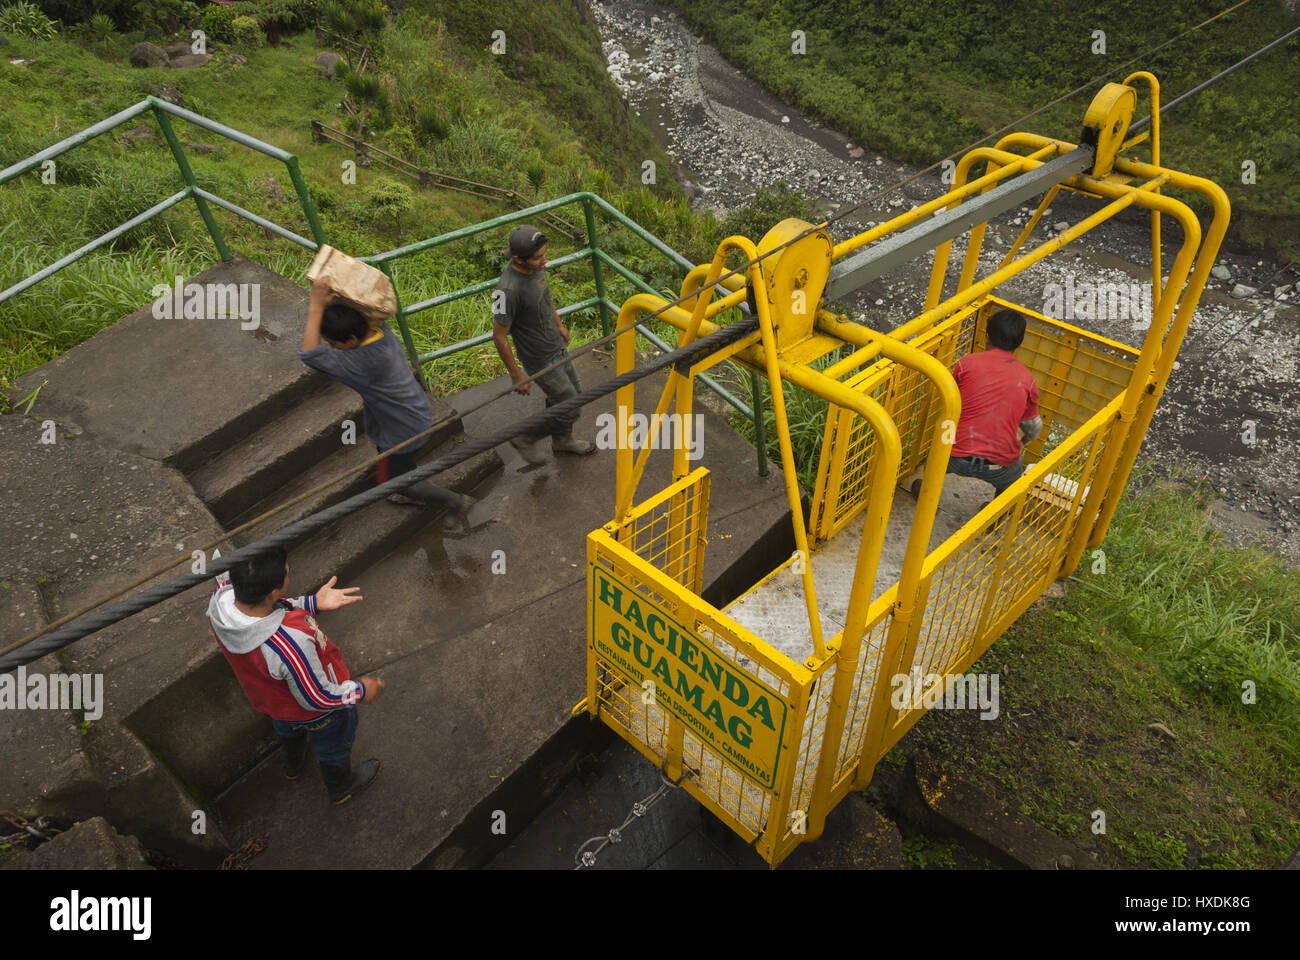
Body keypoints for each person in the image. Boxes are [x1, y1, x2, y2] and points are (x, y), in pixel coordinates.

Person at [206, 547, 385, 804]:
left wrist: (313, 603)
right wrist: (361, 690)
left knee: (288, 729)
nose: (289, 572)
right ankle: (340, 787)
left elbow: (271, 609)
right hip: (320, 714)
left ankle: (293, 764)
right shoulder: (289, 647)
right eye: (287, 573)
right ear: (274, 592)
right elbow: (317, 697)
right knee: (333, 746)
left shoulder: (220, 602)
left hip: (275, 703)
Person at [300, 277, 471, 510]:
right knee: (400, 466)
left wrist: (316, 305)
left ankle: (455, 502)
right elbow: (370, 305)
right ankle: (408, 480)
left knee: (389, 480)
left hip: (401, 431)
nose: (331, 348)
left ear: (350, 340)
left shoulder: (360, 363)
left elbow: (310, 354)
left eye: (333, 343)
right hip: (414, 413)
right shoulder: (379, 330)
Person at [491, 224, 597, 464]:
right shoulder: (506, 291)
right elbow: (499, 335)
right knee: (572, 406)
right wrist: (515, 373)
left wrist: (559, 325)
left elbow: (545, 297)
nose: (545, 261)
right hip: (539, 358)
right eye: (539, 258)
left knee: (571, 396)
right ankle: (525, 437)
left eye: (545, 255)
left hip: (556, 345)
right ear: (518, 258)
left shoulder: (537, 269)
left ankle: (562, 441)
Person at [944, 308, 1043, 496]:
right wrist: (1022, 442)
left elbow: (950, 400)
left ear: (987, 337)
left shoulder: (967, 363)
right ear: (1019, 343)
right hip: (999, 467)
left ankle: (926, 487)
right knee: (1015, 472)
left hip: (955, 457)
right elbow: (1033, 427)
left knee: (938, 450)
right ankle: (994, 517)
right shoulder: (1027, 380)